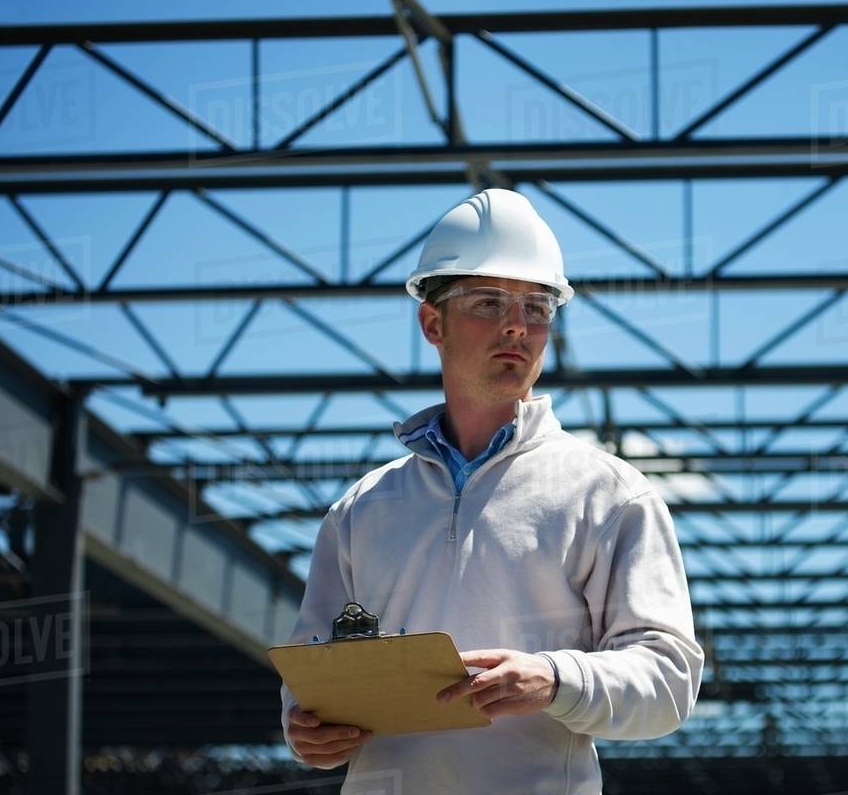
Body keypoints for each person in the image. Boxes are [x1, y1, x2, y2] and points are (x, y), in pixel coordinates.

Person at [279, 188, 703, 794]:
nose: (517, 326)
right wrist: (305, 731)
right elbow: (311, 668)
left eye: (537, 307)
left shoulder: (608, 495)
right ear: (433, 323)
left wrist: (557, 680)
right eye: (488, 302)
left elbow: (669, 681)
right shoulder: (362, 509)